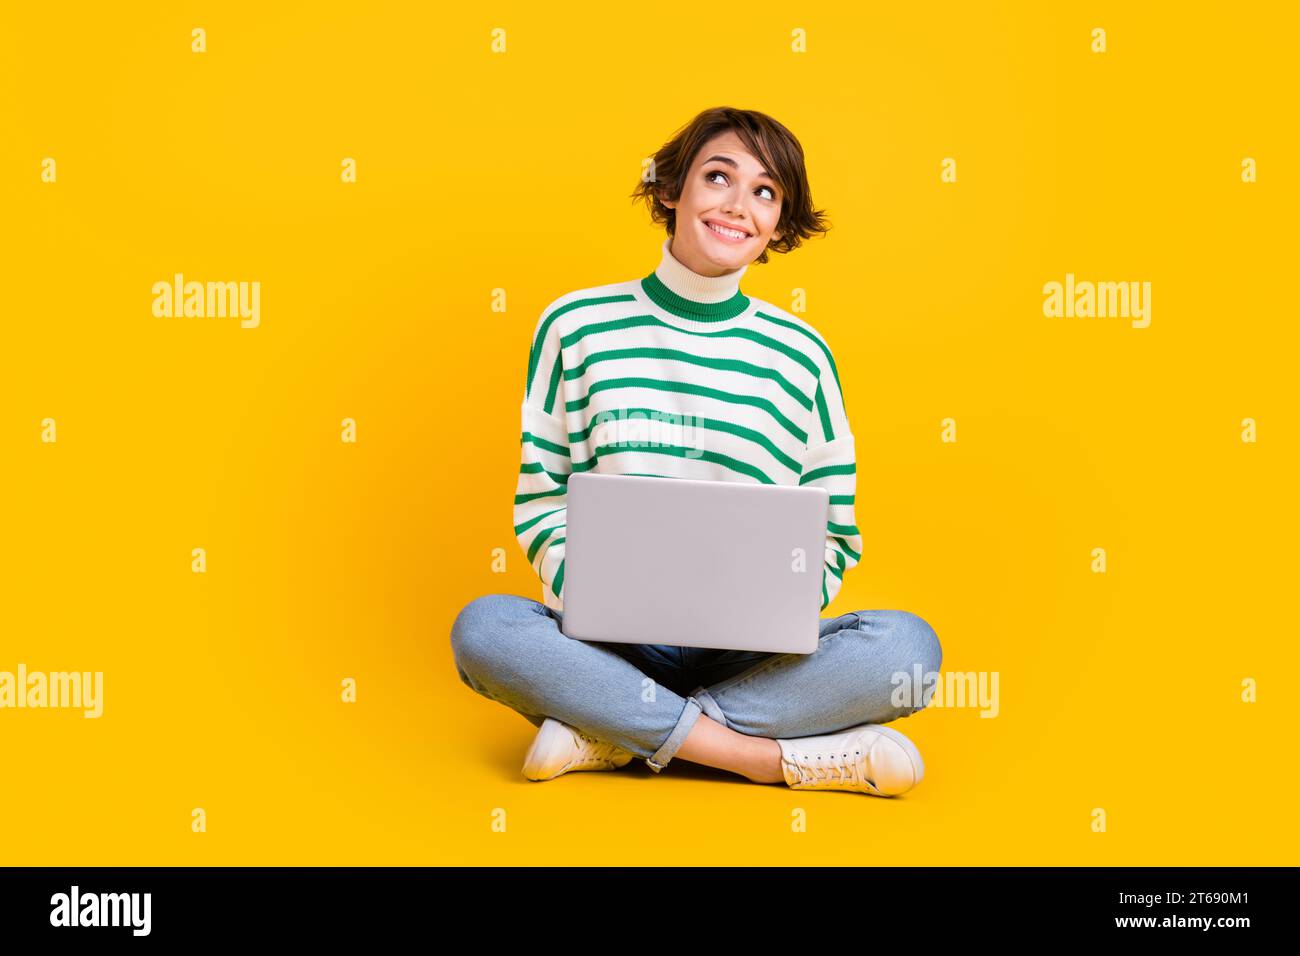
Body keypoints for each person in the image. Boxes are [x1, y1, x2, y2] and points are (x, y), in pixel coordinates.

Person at [450, 106, 941, 797]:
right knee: (485, 629)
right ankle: (765, 759)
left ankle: (613, 733)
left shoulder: (802, 356)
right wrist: (590, 597)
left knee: (907, 649)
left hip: (750, 657)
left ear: (778, 223)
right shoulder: (577, 325)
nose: (739, 206)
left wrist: (785, 605)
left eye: (766, 192)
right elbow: (542, 498)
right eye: (719, 177)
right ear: (671, 190)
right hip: (609, 644)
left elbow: (833, 531)